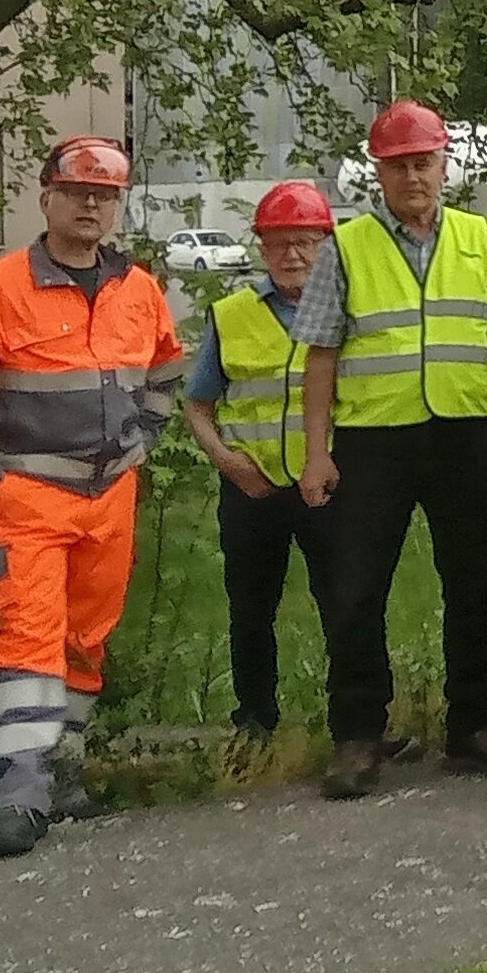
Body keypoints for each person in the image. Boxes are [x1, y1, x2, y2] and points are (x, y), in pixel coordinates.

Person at [0, 135, 184, 856]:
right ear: (46, 197)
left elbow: (165, 374)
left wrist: (142, 446)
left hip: (111, 498)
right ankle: (20, 796)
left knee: (86, 640)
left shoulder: (139, 288)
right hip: (28, 500)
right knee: (28, 641)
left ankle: (65, 777)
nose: (91, 206)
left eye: (104, 196)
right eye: (78, 192)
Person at [294, 99, 487, 792]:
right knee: (357, 589)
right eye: (399, 166)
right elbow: (321, 354)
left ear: (443, 167)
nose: (413, 176)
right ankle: (359, 736)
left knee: (476, 583)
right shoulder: (347, 245)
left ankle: (474, 727)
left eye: (424, 162)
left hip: (466, 433)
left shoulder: (484, 238)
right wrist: (316, 451)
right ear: (379, 174)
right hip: (373, 440)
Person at [175, 177, 338, 744]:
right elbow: (198, 404)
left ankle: (356, 726)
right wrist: (226, 461)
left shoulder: (351, 311)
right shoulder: (232, 314)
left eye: (305, 242)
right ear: (261, 249)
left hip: (328, 485)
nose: (292, 254)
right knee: (250, 610)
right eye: (279, 243)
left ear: (326, 245)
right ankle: (255, 726)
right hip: (252, 489)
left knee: (347, 606)